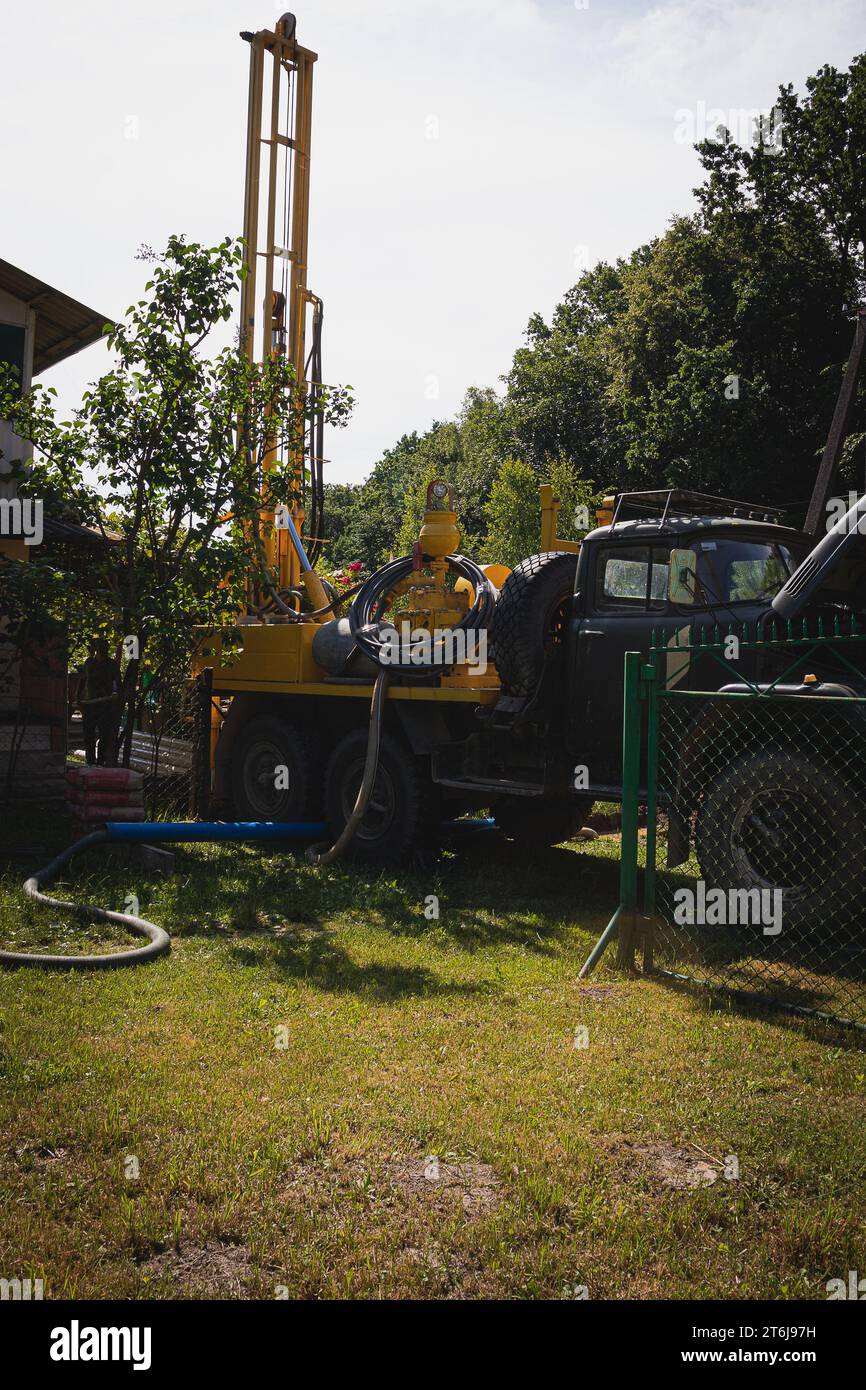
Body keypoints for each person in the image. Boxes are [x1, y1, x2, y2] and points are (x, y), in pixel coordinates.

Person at [80, 638, 122, 766]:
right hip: (89, 704)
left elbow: (118, 684)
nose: (103, 650)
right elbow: (82, 681)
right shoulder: (89, 663)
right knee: (88, 734)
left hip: (105, 704)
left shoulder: (112, 665)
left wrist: (117, 697)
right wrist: (77, 700)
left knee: (104, 733)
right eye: (100, 648)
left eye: (105, 648)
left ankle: (101, 760)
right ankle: (90, 761)